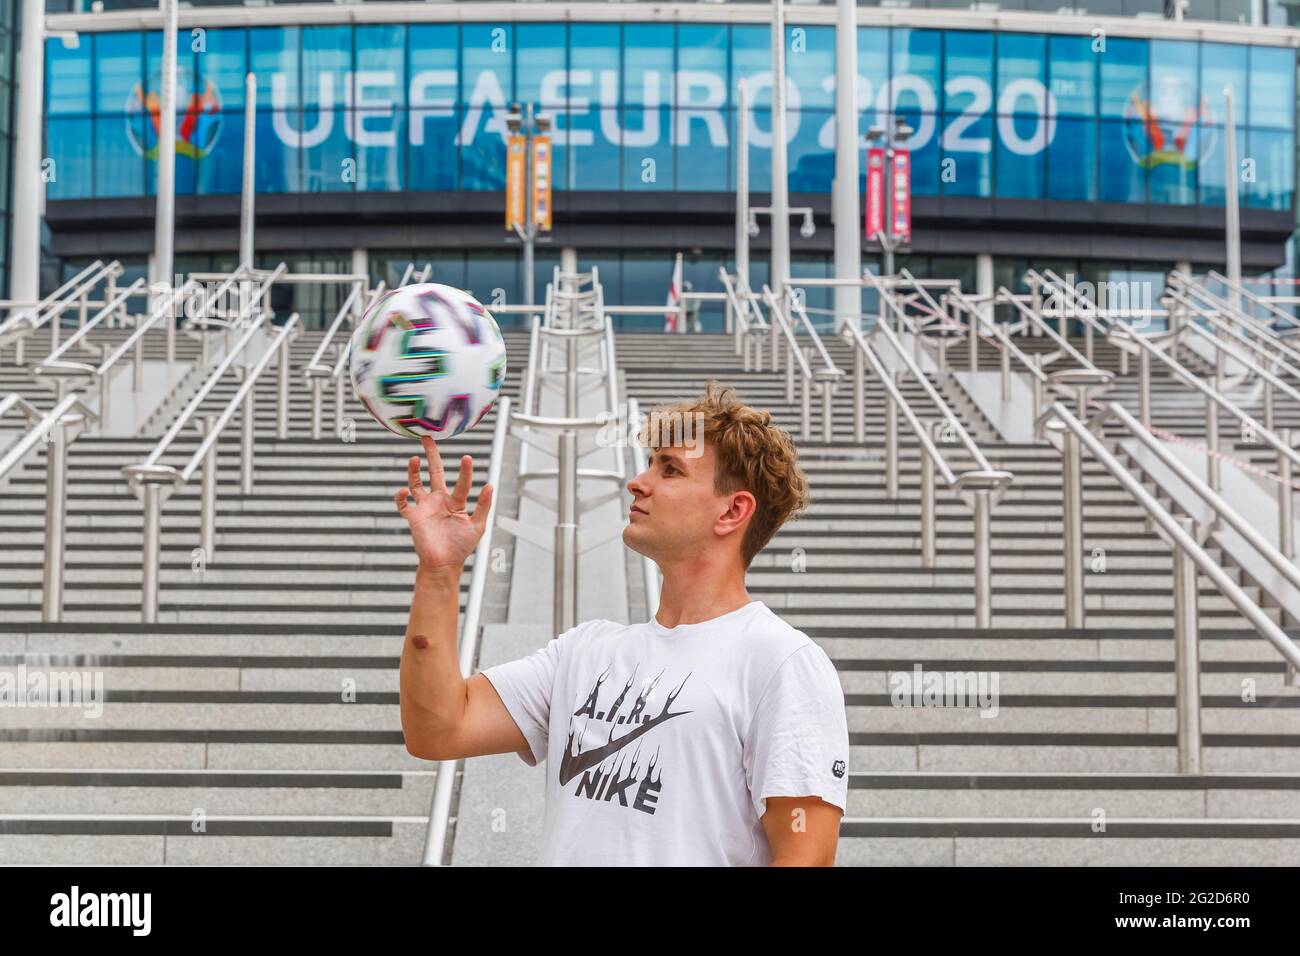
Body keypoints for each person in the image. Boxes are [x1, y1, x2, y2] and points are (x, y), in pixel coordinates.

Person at [396, 381, 849, 866]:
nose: (637, 481)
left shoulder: (782, 663)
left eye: (670, 470)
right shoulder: (585, 651)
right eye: (650, 463)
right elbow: (438, 729)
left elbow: (806, 857)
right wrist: (439, 575)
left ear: (732, 510)